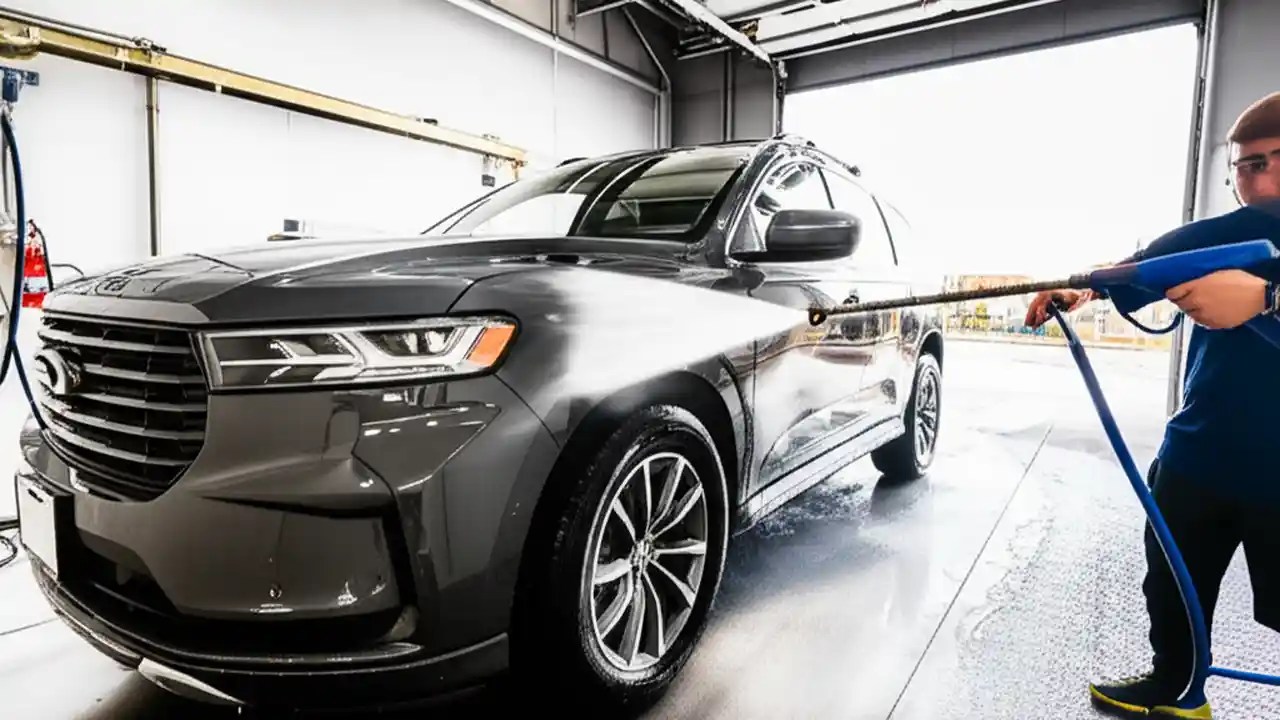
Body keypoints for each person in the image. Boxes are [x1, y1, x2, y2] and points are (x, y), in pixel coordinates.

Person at [1025, 90, 1280, 719]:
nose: (1255, 177)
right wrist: (1086, 286)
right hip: (1200, 452)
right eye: (1244, 166)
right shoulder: (1231, 234)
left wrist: (1269, 300)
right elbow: (1146, 264)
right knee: (1173, 585)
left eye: (1270, 159)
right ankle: (1177, 688)